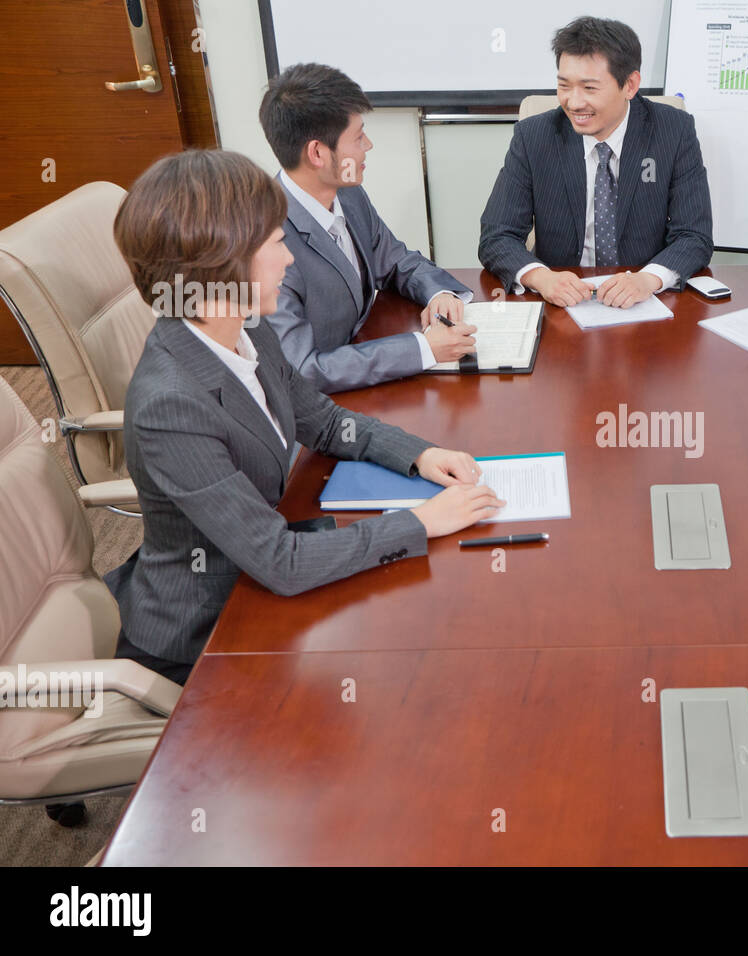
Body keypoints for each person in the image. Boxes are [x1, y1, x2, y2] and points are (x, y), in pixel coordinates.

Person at [107, 150, 505, 683]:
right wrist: (420, 523)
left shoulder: (246, 328)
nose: (290, 259)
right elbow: (281, 562)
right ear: (223, 265)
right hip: (207, 636)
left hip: (263, 579)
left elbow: (320, 420)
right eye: (276, 243)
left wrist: (419, 455)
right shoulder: (171, 407)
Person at [259, 63, 477, 393]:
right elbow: (304, 370)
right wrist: (421, 349)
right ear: (317, 153)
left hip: (366, 378)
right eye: (358, 137)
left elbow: (396, 261)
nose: (369, 146)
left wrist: (439, 294)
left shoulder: (348, 191)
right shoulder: (268, 240)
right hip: (316, 416)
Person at [478, 16, 712, 308]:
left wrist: (648, 279)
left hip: (644, 301)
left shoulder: (673, 131)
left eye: (589, 88)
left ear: (630, 85)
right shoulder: (534, 136)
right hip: (563, 303)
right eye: (564, 85)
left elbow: (694, 235)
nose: (574, 103)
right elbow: (497, 236)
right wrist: (542, 277)